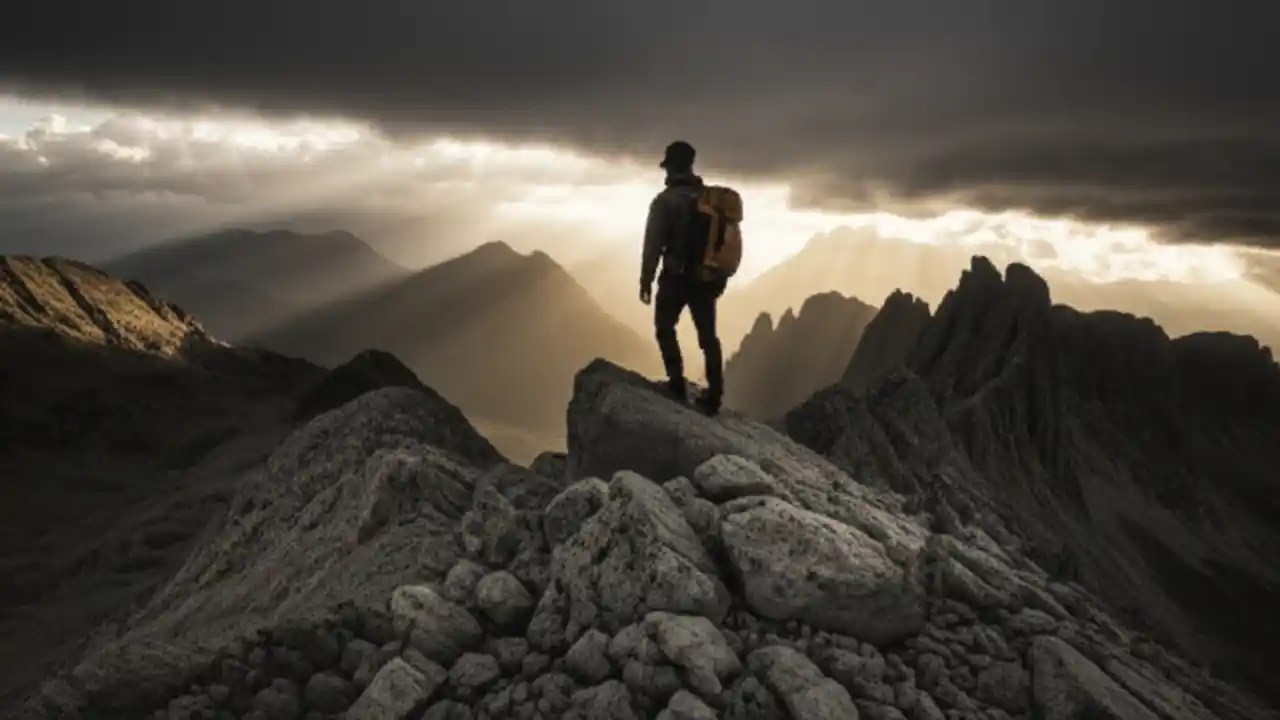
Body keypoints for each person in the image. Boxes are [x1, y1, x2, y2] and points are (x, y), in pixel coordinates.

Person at [640, 140, 726, 416]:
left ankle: (676, 384)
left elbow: (653, 243)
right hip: (704, 278)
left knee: (665, 327)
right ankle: (714, 396)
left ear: (671, 167)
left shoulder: (665, 202)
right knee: (708, 337)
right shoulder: (709, 200)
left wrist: (646, 279)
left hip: (675, 277)